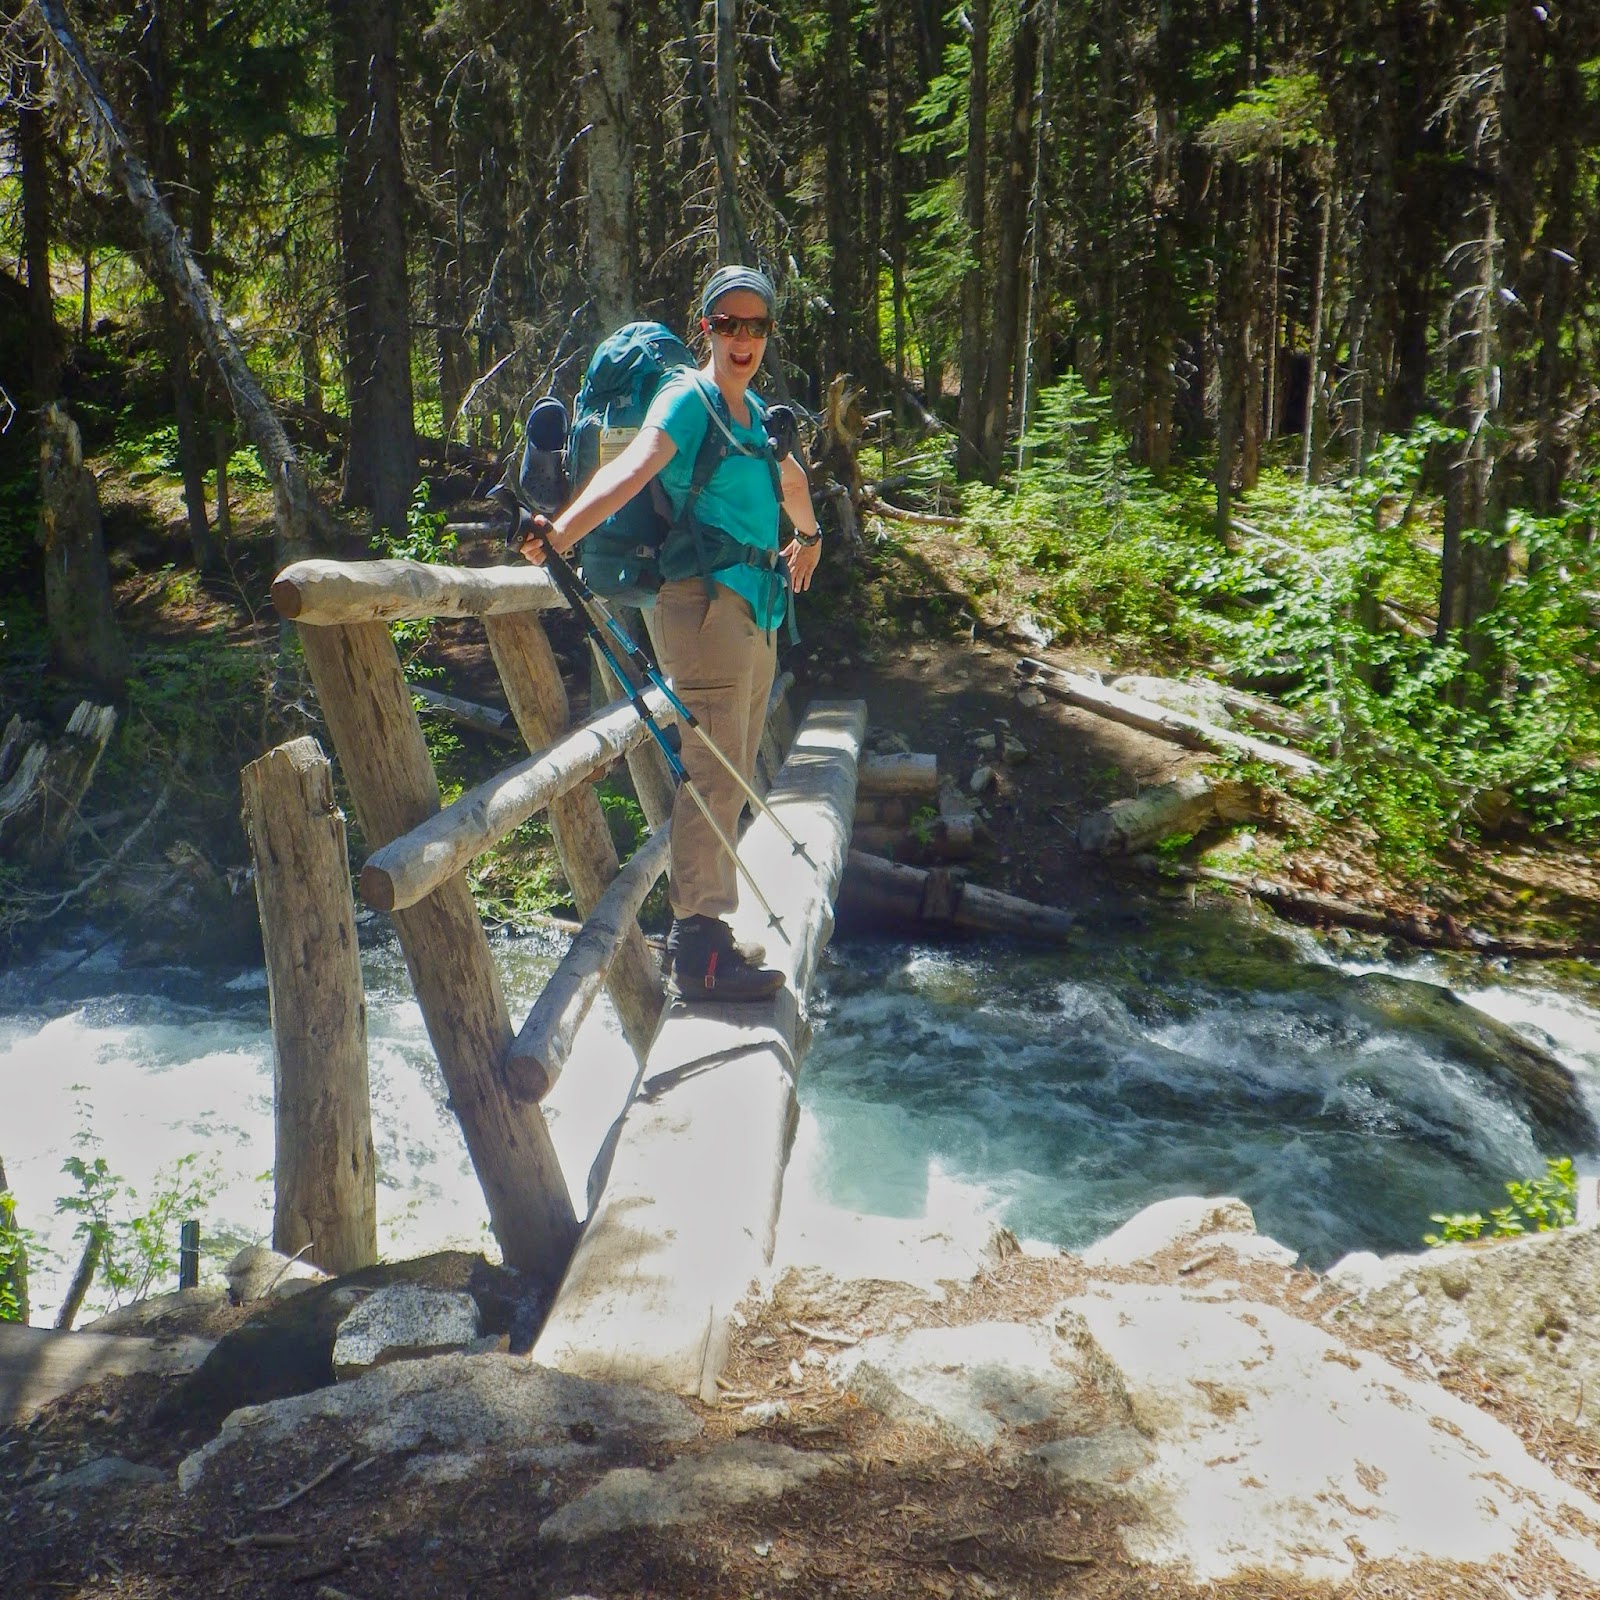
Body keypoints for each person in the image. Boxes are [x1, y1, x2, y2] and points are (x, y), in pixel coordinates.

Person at [520, 265, 823, 1000]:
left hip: (755, 607)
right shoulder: (688, 398)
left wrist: (809, 535)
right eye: (729, 325)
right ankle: (700, 956)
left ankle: (711, 935)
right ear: (706, 331)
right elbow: (635, 466)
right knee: (713, 772)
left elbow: (789, 481)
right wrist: (560, 532)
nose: (744, 338)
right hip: (705, 606)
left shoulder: (749, 413)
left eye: (757, 326)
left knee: (730, 770)